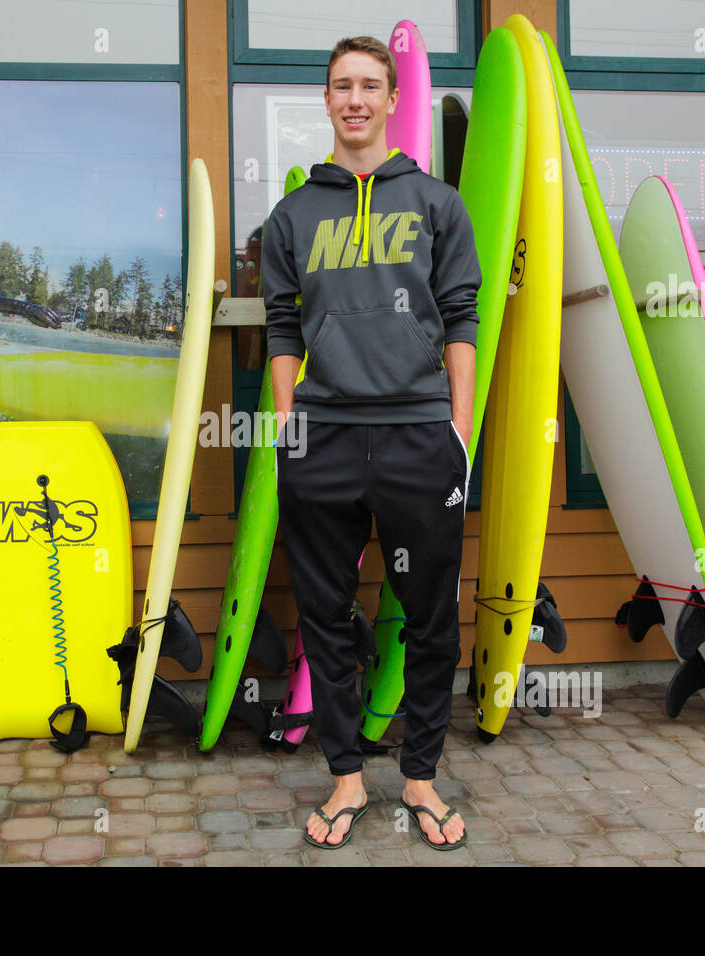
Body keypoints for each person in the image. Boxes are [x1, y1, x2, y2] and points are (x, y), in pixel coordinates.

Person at [261, 35, 480, 850]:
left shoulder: (434, 203)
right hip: (326, 441)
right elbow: (283, 323)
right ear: (327, 101)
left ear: (392, 101)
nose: (355, 99)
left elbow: (462, 315)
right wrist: (289, 425)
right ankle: (347, 778)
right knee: (325, 616)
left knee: (428, 618)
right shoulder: (294, 215)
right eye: (340, 87)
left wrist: (458, 427)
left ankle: (420, 777)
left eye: (369, 87)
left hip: (419, 439)